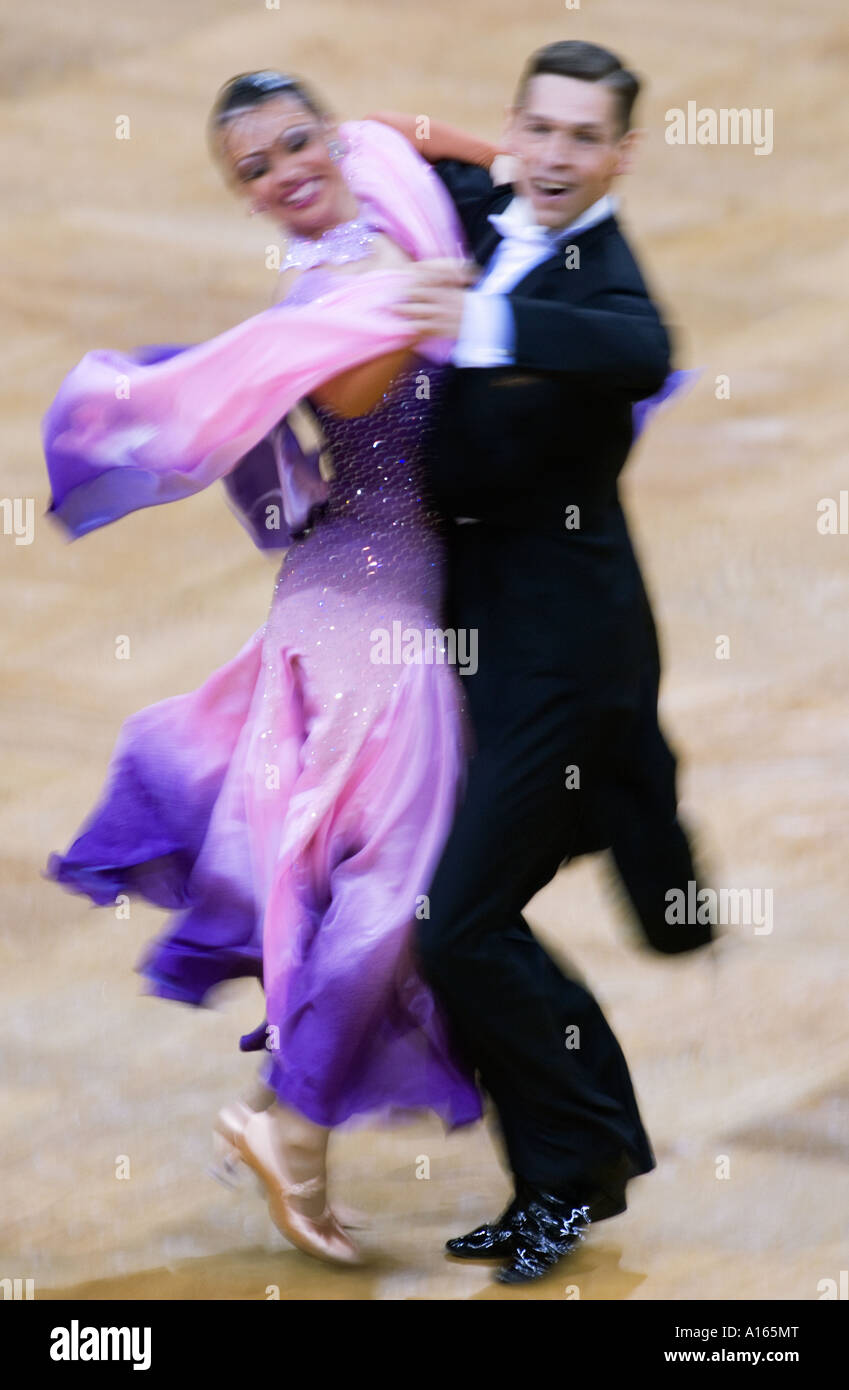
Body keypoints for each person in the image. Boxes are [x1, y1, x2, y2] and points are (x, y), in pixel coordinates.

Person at [43, 71, 492, 1268]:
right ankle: (285, 1122)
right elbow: (352, 386)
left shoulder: (369, 172)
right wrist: (411, 306)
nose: (288, 169)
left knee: (367, 873)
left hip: (377, 590)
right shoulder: (328, 290)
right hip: (368, 610)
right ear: (242, 200)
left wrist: (502, 154)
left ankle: (291, 1125)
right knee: (389, 878)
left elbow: (392, 125)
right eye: (256, 171)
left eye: (298, 142)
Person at [374, 40, 715, 1284]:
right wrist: (456, 152)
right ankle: (554, 1178)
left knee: (454, 920)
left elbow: (635, 346)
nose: (561, 158)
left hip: (564, 656)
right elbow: (374, 139)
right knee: (470, 915)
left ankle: (585, 1163)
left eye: (588, 138)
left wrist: (484, 316)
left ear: (625, 153)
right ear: (514, 129)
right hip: (487, 646)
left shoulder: (604, 283)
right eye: (542, 131)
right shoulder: (482, 204)